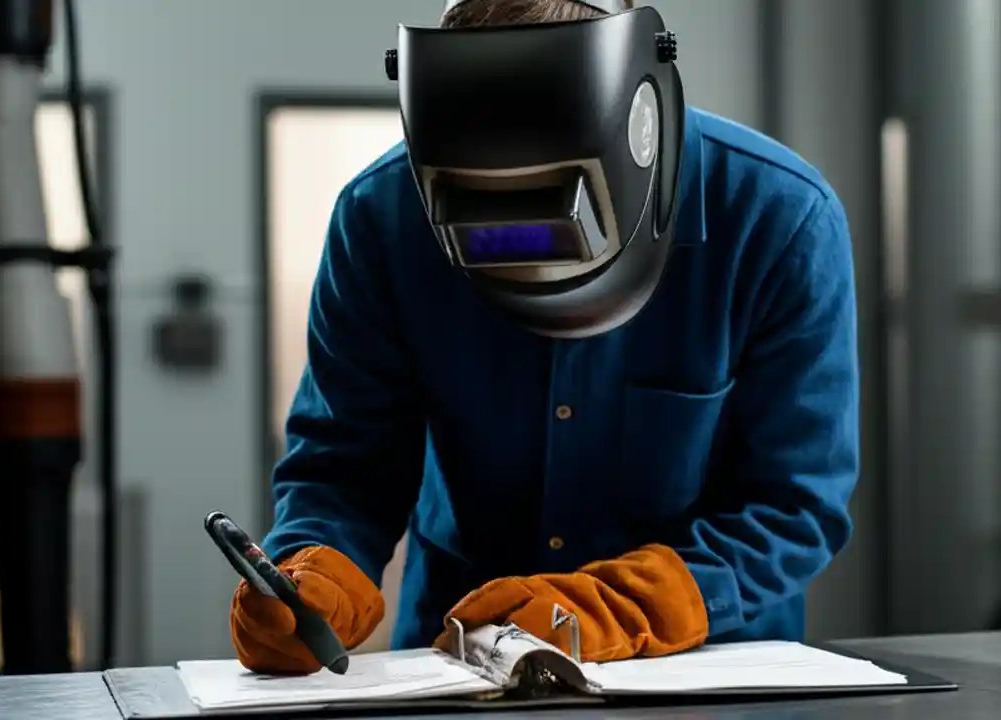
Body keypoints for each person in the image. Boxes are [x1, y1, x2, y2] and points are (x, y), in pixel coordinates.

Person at [231, 0, 859, 675]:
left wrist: (624, 605)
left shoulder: (777, 219)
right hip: (457, 663)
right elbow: (345, 466)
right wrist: (314, 568)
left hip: (703, 670)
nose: (525, 245)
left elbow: (794, 503)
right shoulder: (381, 218)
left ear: (637, 120)